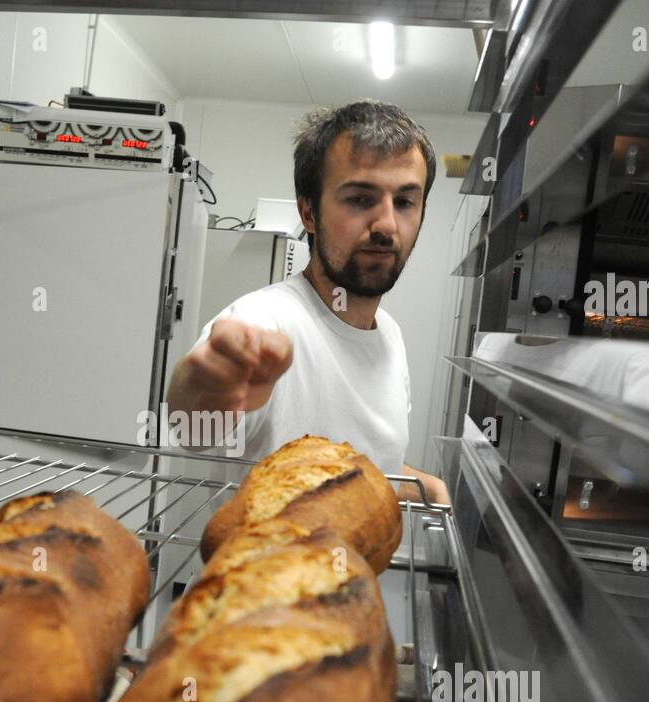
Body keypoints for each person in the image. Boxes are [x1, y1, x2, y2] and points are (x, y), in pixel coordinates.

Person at [166, 99, 449, 505]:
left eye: (405, 201)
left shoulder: (389, 334)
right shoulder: (264, 321)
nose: (387, 224)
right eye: (359, 199)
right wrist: (202, 392)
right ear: (309, 213)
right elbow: (190, 430)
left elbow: (359, 464)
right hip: (263, 568)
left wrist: (429, 487)